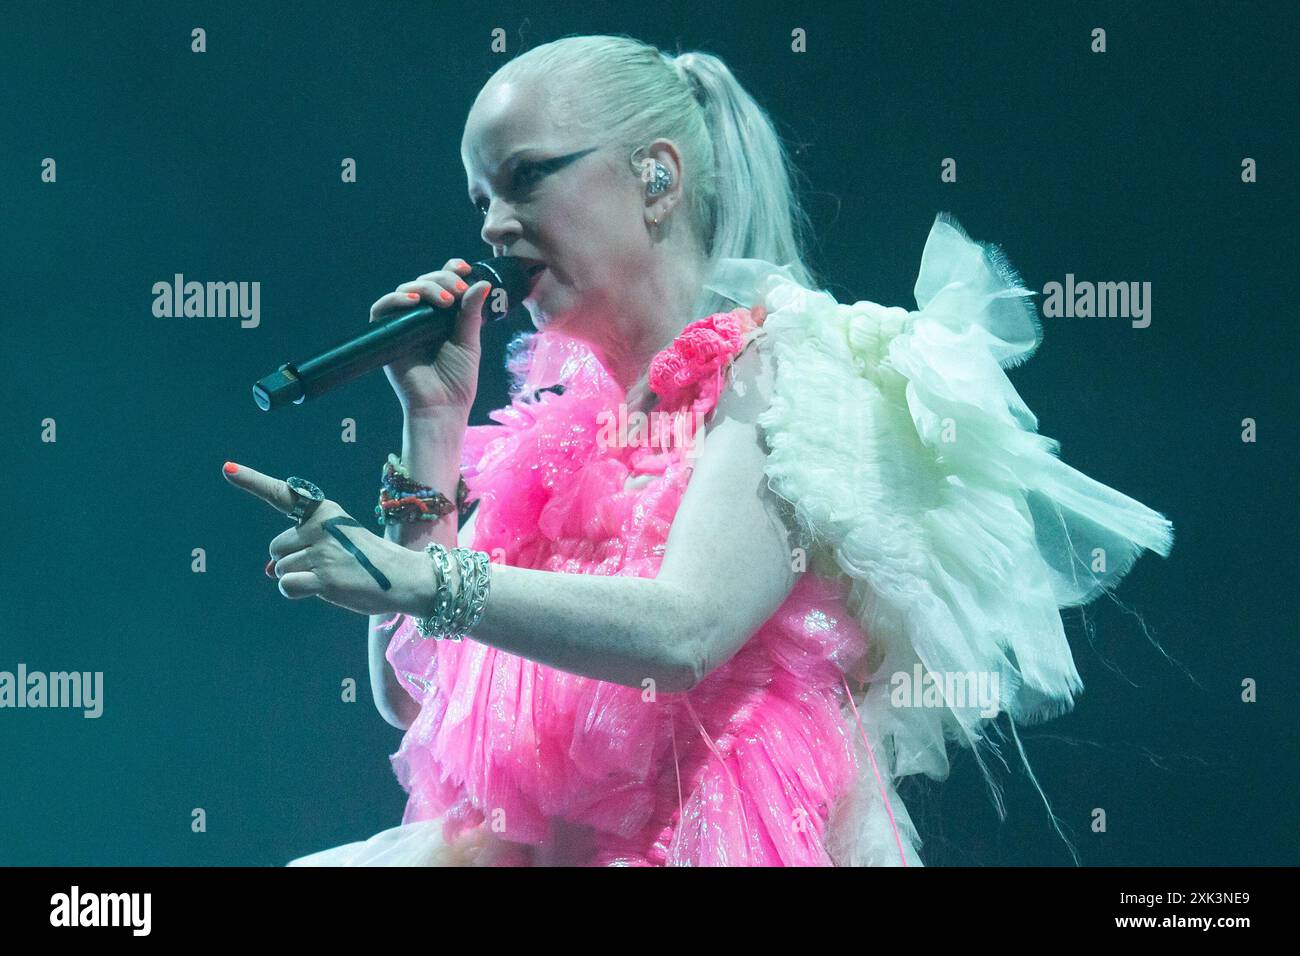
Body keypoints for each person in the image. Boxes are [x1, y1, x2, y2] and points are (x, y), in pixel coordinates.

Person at [223, 35, 1174, 866]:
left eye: (525, 178)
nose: (491, 228)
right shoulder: (559, 431)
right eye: (479, 198)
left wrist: (418, 579)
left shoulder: (794, 368)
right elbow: (410, 698)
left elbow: (684, 634)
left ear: (657, 177)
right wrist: (431, 429)